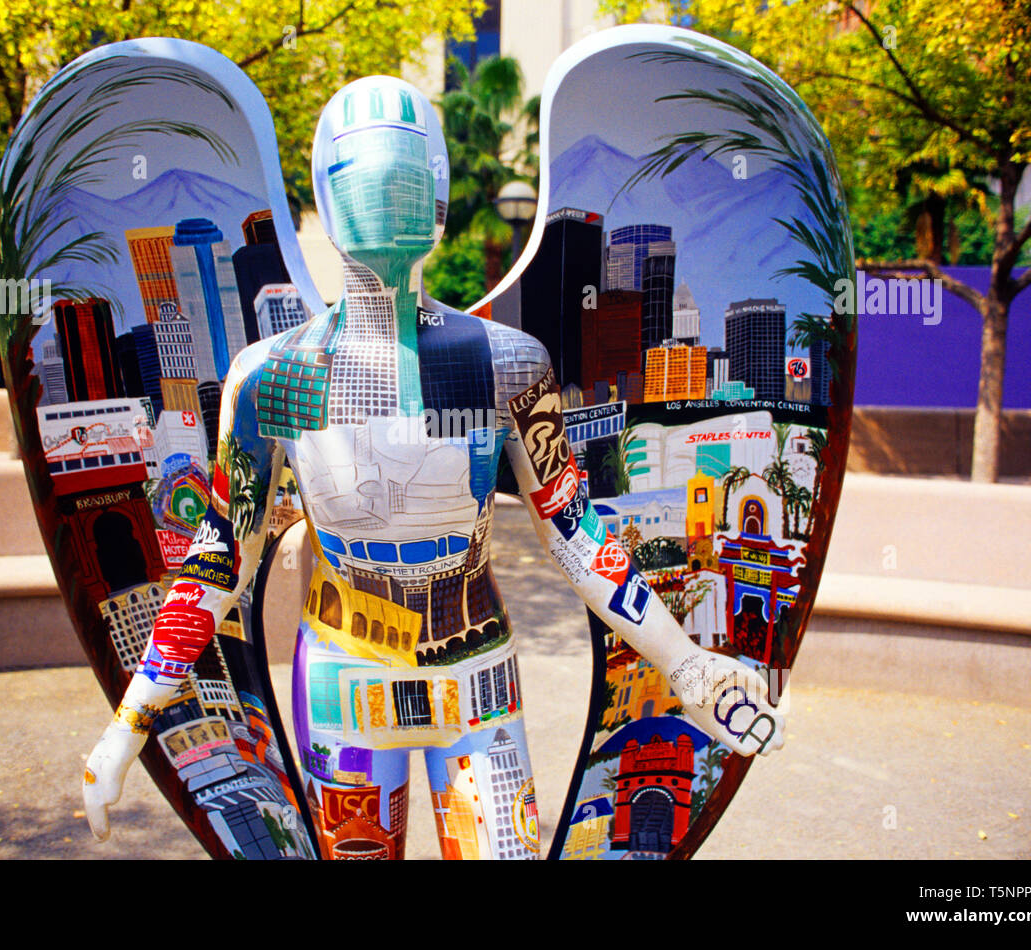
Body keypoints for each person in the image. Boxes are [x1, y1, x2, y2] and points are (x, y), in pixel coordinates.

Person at [83, 75, 784, 859]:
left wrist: (689, 665)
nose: (387, 196)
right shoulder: (271, 376)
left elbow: (576, 533)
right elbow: (219, 559)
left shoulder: (506, 364)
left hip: (469, 675)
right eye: (367, 175)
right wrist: (131, 721)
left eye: (404, 175)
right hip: (354, 679)